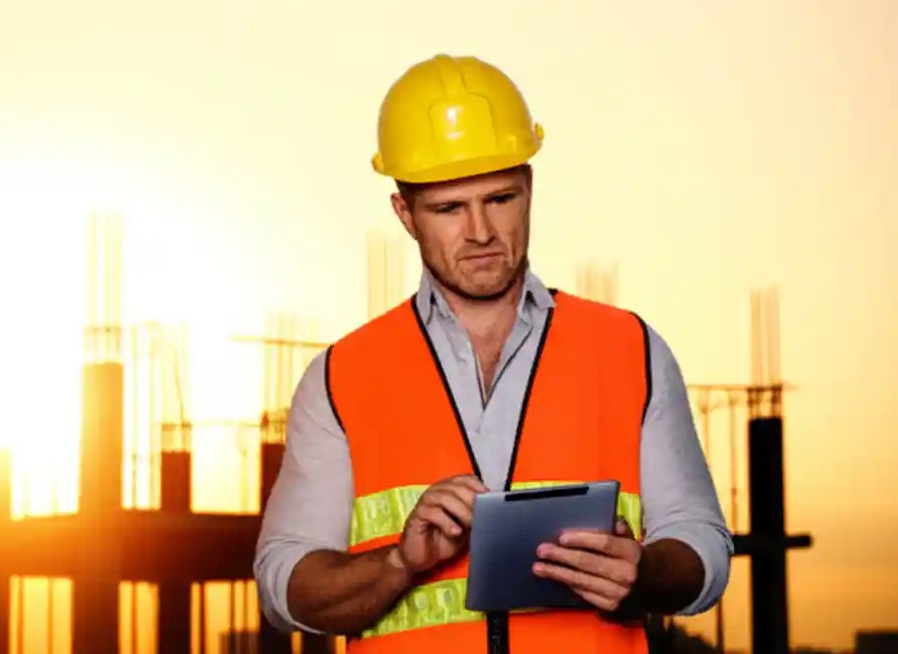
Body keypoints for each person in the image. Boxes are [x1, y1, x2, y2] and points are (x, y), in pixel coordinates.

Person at [253, 54, 732, 654]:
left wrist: (644, 571)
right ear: (405, 214)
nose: (480, 231)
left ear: (529, 189)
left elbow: (704, 549)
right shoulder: (341, 377)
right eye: (449, 208)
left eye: (499, 199)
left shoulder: (629, 349)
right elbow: (282, 589)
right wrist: (400, 562)